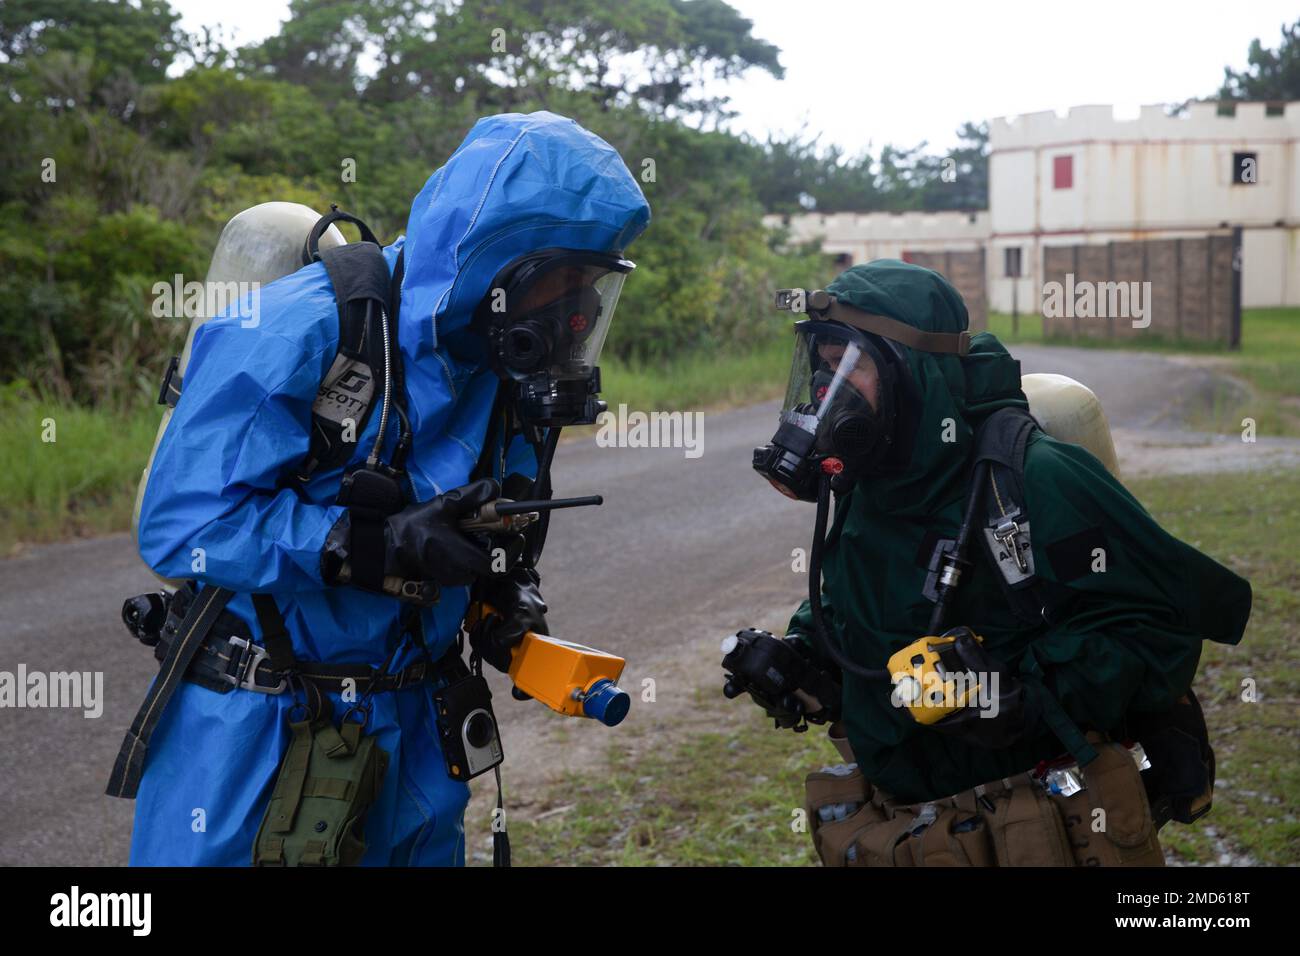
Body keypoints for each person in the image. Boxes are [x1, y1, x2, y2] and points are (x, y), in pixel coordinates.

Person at [113, 111, 650, 866]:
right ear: (495, 254)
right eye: (559, 277)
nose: (574, 309)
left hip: (418, 732)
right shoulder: (299, 331)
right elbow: (181, 523)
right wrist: (365, 542)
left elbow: (497, 524)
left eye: (590, 282)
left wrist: (503, 600)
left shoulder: (509, 369)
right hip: (258, 733)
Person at [730, 260, 1251, 867]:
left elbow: (1159, 628)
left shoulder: (1033, 479)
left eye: (853, 362)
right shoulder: (875, 479)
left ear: (913, 371)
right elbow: (871, 601)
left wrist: (1024, 694)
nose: (828, 389)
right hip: (909, 829)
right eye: (822, 365)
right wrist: (803, 656)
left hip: (1035, 823)